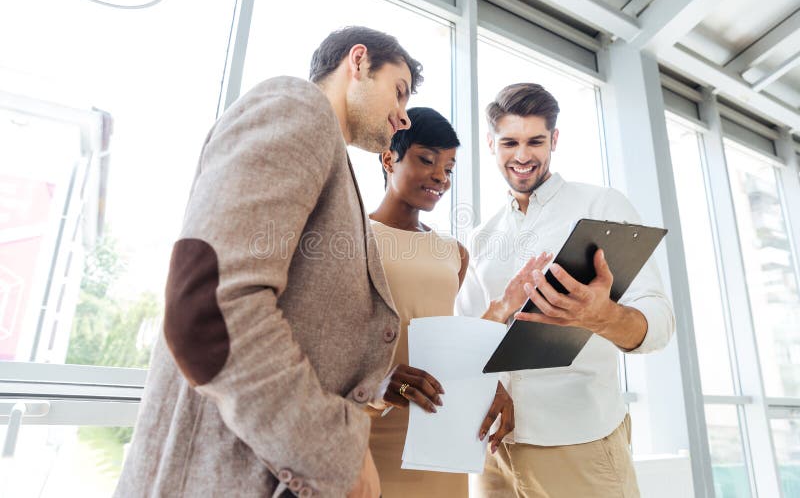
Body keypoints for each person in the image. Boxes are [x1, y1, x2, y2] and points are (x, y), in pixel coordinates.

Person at [114, 26, 424, 498]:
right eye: (398, 93)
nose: (403, 118)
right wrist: (338, 455)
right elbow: (211, 308)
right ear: (357, 62)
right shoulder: (297, 108)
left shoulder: (333, 166)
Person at [456, 83, 676, 498]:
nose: (522, 156)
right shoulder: (483, 236)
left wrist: (605, 317)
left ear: (554, 140)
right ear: (491, 144)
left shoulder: (602, 206)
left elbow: (660, 322)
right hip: (492, 450)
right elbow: (468, 331)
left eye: (536, 141)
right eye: (510, 142)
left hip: (577, 442)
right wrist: (493, 384)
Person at [367, 106, 551, 498]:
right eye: (427, 160)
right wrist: (372, 385)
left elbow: (450, 344)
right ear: (388, 158)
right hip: (370, 429)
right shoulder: (355, 237)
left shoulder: (453, 252)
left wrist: (501, 309)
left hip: (441, 434)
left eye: (449, 168)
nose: (440, 176)